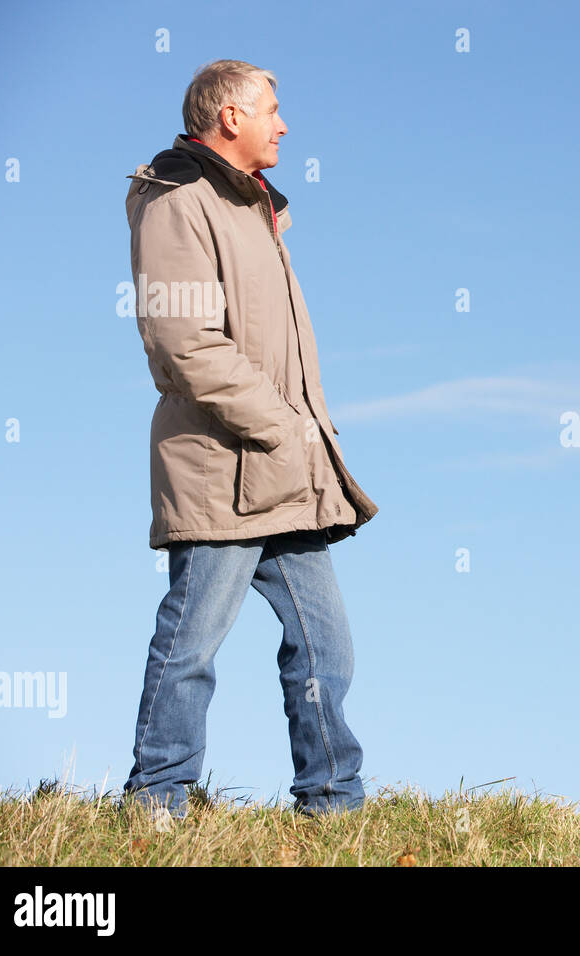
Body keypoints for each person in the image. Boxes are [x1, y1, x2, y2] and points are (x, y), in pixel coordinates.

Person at [121, 59, 379, 820]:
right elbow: (184, 344)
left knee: (325, 646)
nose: (285, 122)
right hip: (220, 465)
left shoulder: (255, 210)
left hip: (283, 470)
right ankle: (157, 800)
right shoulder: (178, 200)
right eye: (272, 107)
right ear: (229, 117)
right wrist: (279, 426)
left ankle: (332, 802)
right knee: (192, 644)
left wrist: (300, 439)